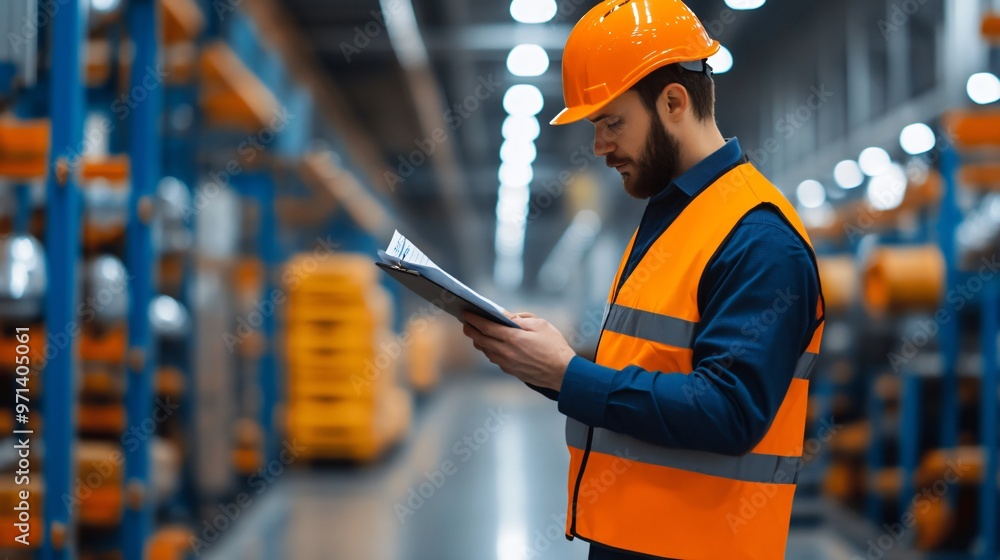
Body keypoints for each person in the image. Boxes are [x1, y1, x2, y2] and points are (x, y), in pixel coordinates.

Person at [461, 1, 825, 559]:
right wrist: (542, 362)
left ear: (673, 102)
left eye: (612, 122)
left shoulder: (758, 237)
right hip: (639, 541)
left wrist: (568, 376)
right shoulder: (675, 217)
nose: (600, 146)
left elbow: (728, 411)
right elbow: (653, 367)